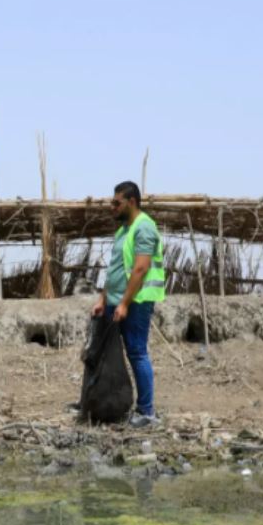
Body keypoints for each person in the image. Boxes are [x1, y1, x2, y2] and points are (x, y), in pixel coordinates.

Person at [91, 180, 166, 427]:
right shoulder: (124, 230)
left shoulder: (144, 228)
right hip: (115, 301)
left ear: (131, 202)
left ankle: (146, 411)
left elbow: (141, 268)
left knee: (136, 351)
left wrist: (124, 303)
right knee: (106, 352)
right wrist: (103, 299)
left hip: (136, 302)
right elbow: (114, 269)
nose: (112, 207)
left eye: (116, 202)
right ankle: (101, 401)